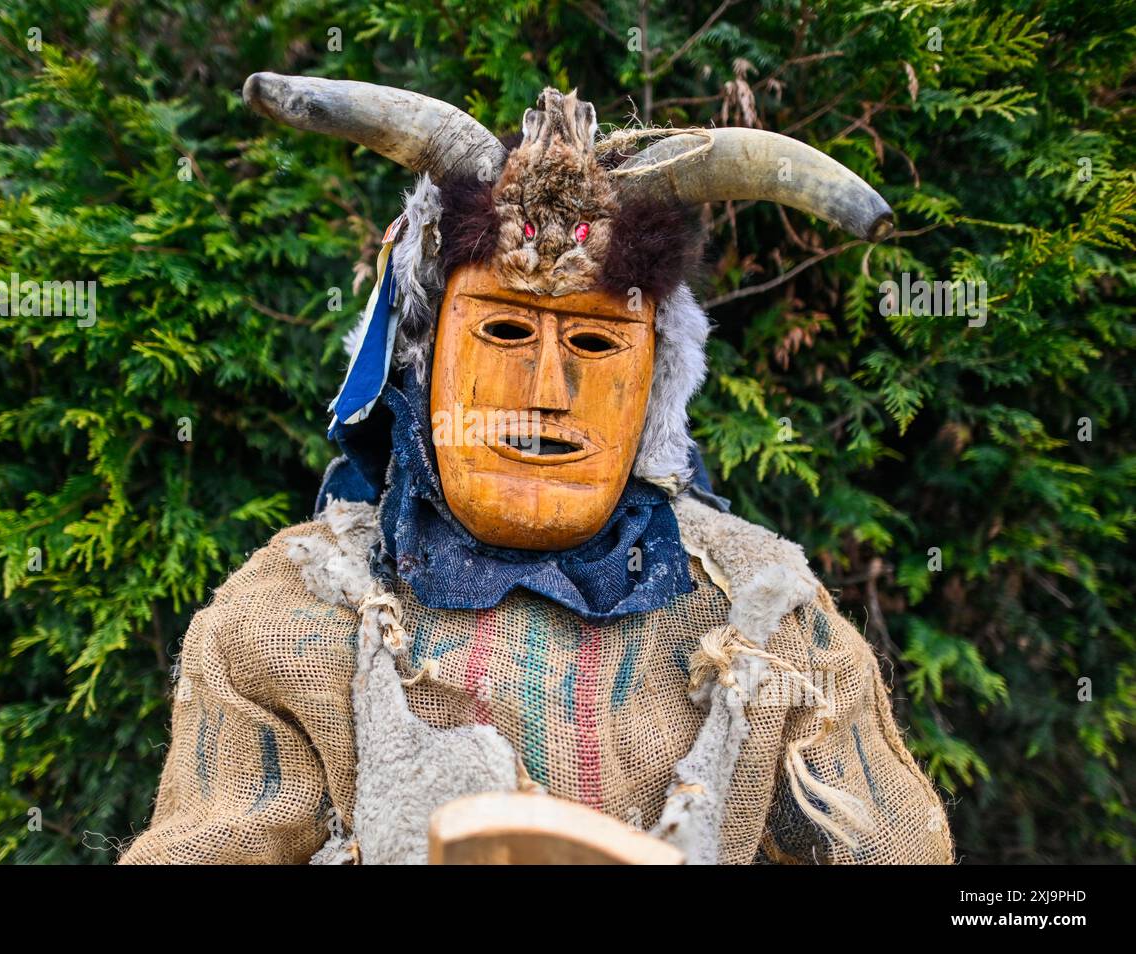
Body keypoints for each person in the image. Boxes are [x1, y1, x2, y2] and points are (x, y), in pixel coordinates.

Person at [120, 77, 952, 865]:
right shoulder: (295, 612)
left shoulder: (764, 620)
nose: (547, 394)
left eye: (594, 343)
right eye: (505, 334)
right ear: (422, 357)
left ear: (656, 384)